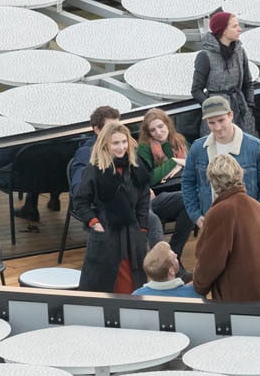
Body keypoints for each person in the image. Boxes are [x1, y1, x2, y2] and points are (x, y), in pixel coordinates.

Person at [191, 154, 260, 303]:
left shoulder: (221, 211)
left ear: (213, 181)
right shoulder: (255, 205)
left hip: (246, 295)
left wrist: (198, 286)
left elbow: (210, 261)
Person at [72, 122, 154, 295]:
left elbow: (143, 199)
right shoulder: (94, 170)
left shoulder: (136, 167)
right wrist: (94, 223)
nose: (121, 147)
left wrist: (143, 227)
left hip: (133, 235)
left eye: (124, 142)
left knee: (134, 286)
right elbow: (80, 201)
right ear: (105, 145)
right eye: (116, 143)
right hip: (107, 235)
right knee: (103, 286)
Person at [182, 95, 260, 231]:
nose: (217, 127)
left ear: (231, 115)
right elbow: (188, 183)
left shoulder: (256, 147)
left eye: (221, 120)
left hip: (246, 222)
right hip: (211, 220)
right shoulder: (197, 148)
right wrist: (196, 215)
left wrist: (259, 216)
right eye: (211, 122)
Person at [137, 109, 194, 260]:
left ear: (168, 124)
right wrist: (173, 162)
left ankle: (175, 252)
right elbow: (149, 178)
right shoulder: (144, 148)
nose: (158, 132)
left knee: (191, 200)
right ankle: (167, 259)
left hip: (183, 187)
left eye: (161, 126)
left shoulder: (180, 141)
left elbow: (193, 165)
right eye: (153, 130)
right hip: (158, 194)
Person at [192, 10, 258, 136]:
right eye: (234, 26)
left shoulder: (240, 52)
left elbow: (248, 83)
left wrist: (249, 106)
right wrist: (212, 109)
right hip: (216, 116)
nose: (239, 29)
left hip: (241, 112)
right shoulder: (205, 56)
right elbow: (196, 90)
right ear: (223, 30)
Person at [132, 241, 198, 298]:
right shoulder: (192, 294)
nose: (176, 255)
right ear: (171, 270)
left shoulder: (137, 295)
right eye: (175, 258)